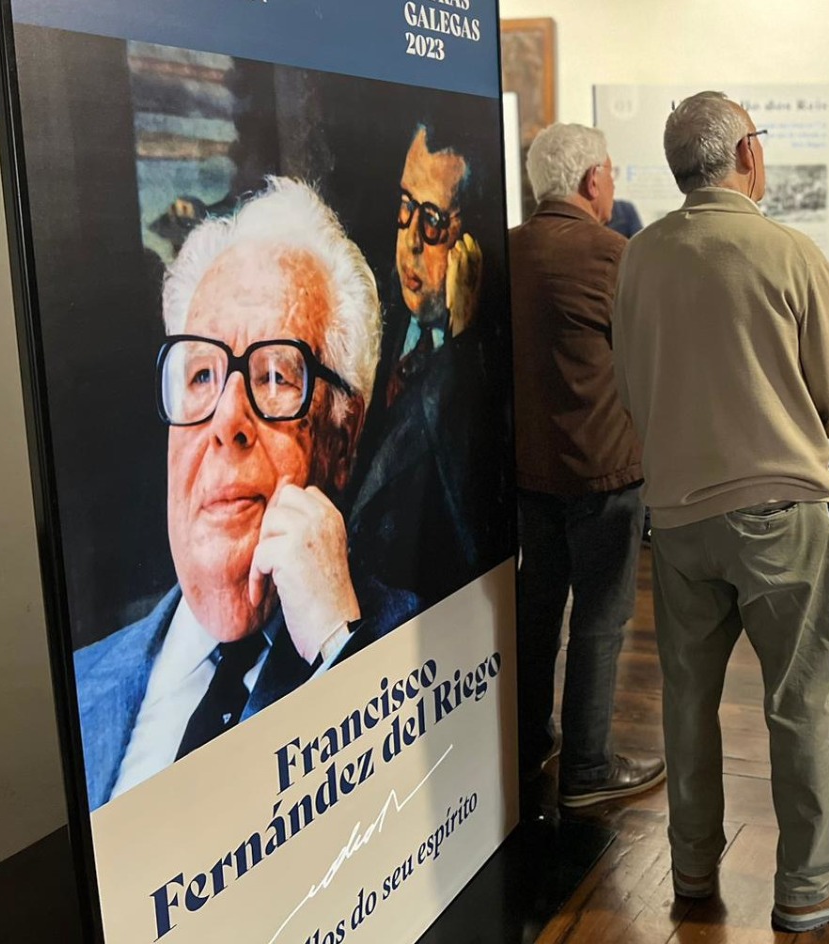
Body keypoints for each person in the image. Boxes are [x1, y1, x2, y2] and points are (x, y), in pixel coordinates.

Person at [612, 90, 829, 932]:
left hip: (678, 519)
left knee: (687, 703)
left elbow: (633, 395)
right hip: (780, 518)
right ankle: (809, 887)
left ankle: (691, 870)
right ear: (748, 156)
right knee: (800, 700)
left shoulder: (640, 258)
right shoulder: (787, 250)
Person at [73, 179, 418, 811]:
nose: (226, 419)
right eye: (201, 374)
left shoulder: (403, 646)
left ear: (342, 438)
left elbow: (407, 833)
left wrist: (340, 644)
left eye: (275, 375)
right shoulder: (77, 684)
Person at [508, 123, 664, 808]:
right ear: (592, 181)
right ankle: (589, 768)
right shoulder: (614, 254)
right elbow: (649, 361)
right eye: (610, 175)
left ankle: (530, 741)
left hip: (528, 473)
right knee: (601, 621)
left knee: (538, 610)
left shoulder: (504, 251)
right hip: (605, 473)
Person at [347, 126, 512, 606]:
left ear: (471, 244)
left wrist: (461, 341)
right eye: (405, 208)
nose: (412, 240)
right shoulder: (376, 318)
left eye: (434, 219)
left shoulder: (488, 356)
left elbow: (475, 527)